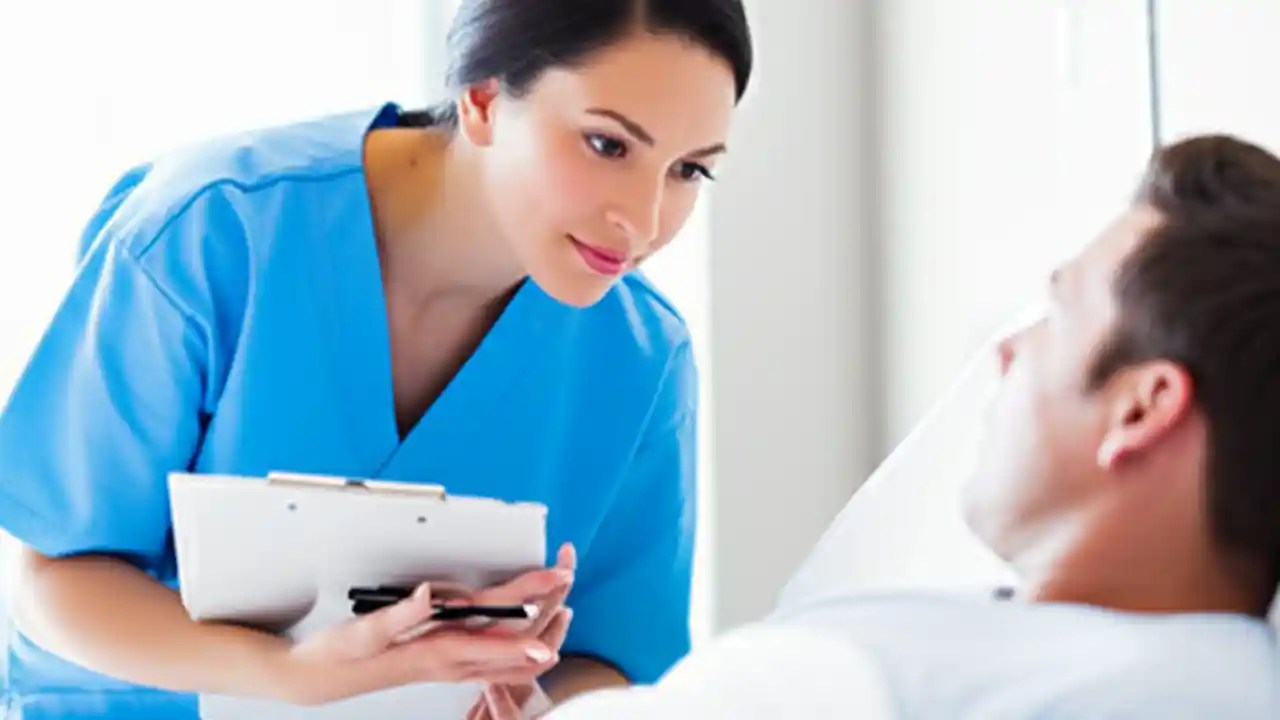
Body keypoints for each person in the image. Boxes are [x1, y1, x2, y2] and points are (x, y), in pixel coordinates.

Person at [0, 1, 753, 717]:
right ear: (485, 99)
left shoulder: (641, 360)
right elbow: (54, 576)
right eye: (607, 144)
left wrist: (537, 710)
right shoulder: (213, 233)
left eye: (689, 169)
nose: (645, 221)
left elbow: (611, 661)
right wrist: (285, 677)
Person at [545, 135, 1280, 719]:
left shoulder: (849, 676)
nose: (1006, 350)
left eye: (1055, 316)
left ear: (1141, 409)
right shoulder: (1246, 683)